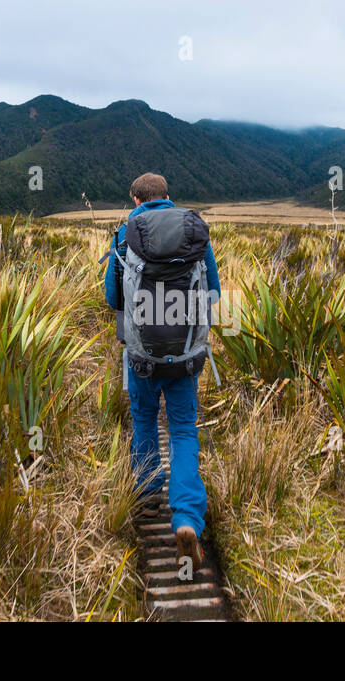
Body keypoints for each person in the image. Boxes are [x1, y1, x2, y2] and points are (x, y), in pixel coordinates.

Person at [103, 172, 220, 570]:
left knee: (145, 421)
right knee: (184, 429)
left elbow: (111, 297)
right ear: (168, 197)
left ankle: (150, 494)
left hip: (141, 357)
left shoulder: (125, 234)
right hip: (186, 357)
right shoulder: (194, 233)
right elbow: (214, 292)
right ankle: (186, 516)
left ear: (136, 199)